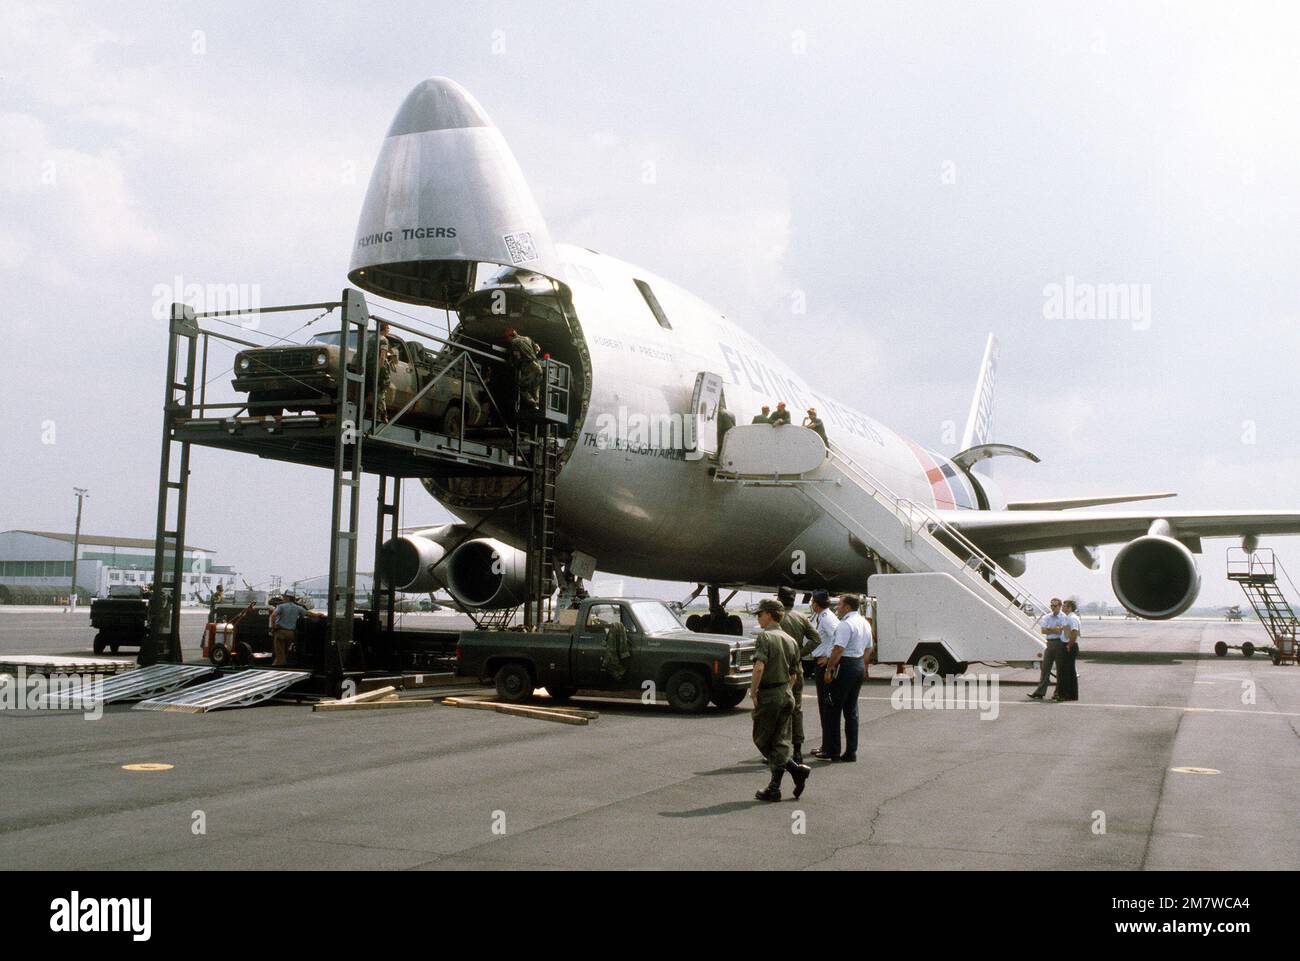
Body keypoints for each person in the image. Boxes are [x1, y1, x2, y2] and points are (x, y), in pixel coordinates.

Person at [750, 598, 811, 802]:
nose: (758, 618)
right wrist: (787, 691)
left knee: (762, 738)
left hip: (770, 695)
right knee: (780, 740)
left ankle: (789, 775)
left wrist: (753, 691)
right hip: (786, 693)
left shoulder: (765, 637)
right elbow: (794, 673)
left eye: (760, 614)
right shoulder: (791, 640)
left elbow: (759, 667)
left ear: (769, 614)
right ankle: (781, 782)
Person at [814, 593, 870, 762]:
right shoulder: (864, 623)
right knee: (851, 711)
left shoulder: (846, 624)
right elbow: (869, 648)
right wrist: (862, 666)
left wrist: (829, 669)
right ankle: (851, 751)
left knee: (832, 708)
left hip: (844, 666)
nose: (837, 608)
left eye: (839, 605)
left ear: (847, 607)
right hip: (858, 664)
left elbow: (838, 649)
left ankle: (832, 750)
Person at [777, 586, 822, 765]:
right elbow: (816, 638)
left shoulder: (776, 618)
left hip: (779, 669)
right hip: (797, 667)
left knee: (778, 710)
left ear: (779, 599)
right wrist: (801, 653)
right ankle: (797, 751)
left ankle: (780, 750)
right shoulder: (801, 617)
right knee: (796, 709)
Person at [807, 590, 840, 758]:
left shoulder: (827, 619)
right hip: (819, 662)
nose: (811, 604)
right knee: (824, 707)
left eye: (812, 601)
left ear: (816, 604)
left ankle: (828, 747)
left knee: (826, 707)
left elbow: (837, 637)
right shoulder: (823, 617)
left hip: (823, 664)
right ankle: (825, 744)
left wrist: (828, 658)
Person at [1028, 597, 1069, 700]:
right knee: (1045, 668)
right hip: (1049, 644)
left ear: (1060, 606)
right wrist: (1054, 629)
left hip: (1060, 644)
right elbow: (1043, 630)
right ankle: (1040, 692)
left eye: (1055, 606)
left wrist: (1050, 629)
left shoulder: (1064, 617)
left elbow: (1061, 631)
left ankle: (1058, 693)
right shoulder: (1047, 617)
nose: (1053, 607)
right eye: (1051, 605)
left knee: (1060, 670)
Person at [505, 326, 543, 413]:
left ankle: (532, 403)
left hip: (529, 368)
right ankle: (536, 405)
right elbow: (538, 348)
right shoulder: (527, 338)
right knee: (535, 387)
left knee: (522, 387)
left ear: (510, 336)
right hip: (538, 366)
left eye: (507, 338)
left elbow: (517, 357)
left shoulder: (514, 342)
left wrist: (513, 364)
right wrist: (531, 353)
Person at [270, 593, 311, 667]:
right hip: (291, 634)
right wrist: (320, 615)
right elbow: (308, 614)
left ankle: (277, 667)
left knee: (279, 653)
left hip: (280, 632)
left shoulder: (281, 606)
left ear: (288, 598)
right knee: (285, 652)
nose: (283, 598)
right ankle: (281, 665)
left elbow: (273, 616)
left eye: (284, 597)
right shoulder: (297, 607)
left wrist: (273, 627)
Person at [1057, 599, 1081, 701]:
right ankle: (1071, 694)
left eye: (1065, 606)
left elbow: (1074, 632)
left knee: (1066, 671)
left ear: (1070, 608)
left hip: (1069, 645)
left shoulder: (1072, 618)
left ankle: (1066, 695)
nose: (1063, 608)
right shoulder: (1068, 617)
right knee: (1069, 671)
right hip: (1066, 644)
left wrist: (1069, 645)